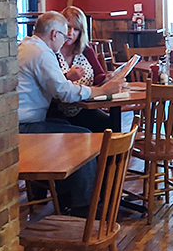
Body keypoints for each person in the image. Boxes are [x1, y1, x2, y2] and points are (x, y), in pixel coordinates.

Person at [17, 11, 123, 214]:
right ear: (55, 34)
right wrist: (102, 91)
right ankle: (85, 207)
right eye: (64, 35)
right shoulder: (42, 53)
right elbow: (64, 92)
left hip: (20, 122)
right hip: (24, 127)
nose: (65, 39)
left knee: (74, 129)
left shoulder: (27, 46)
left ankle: (68, 197)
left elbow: (59, 86)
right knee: (83, 137)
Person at [49, 6, 112, 132]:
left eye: (76, 29)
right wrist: (67, 77)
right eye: (68, 27)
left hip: (84, 107)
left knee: (111, 125)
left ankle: (110, 152)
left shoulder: (86, 49)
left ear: (81, 33)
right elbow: (49, 86)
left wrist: (107, 78)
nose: (70, 33)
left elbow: (99, 75)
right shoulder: (51, 51)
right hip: (56, 110)